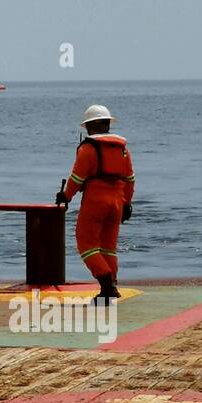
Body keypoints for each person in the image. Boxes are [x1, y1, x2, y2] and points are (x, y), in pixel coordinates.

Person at [56, 104, 135, 301]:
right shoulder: (123, 150)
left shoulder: (88, 149)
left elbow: (76, 178)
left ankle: (106, 283)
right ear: (108, 124)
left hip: (95, 202)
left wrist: (66, 197)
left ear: (88, 127)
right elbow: (130, 180)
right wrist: (126, 203)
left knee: (86, 245)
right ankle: (112, 286)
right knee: (109, 247)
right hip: (117, 202)